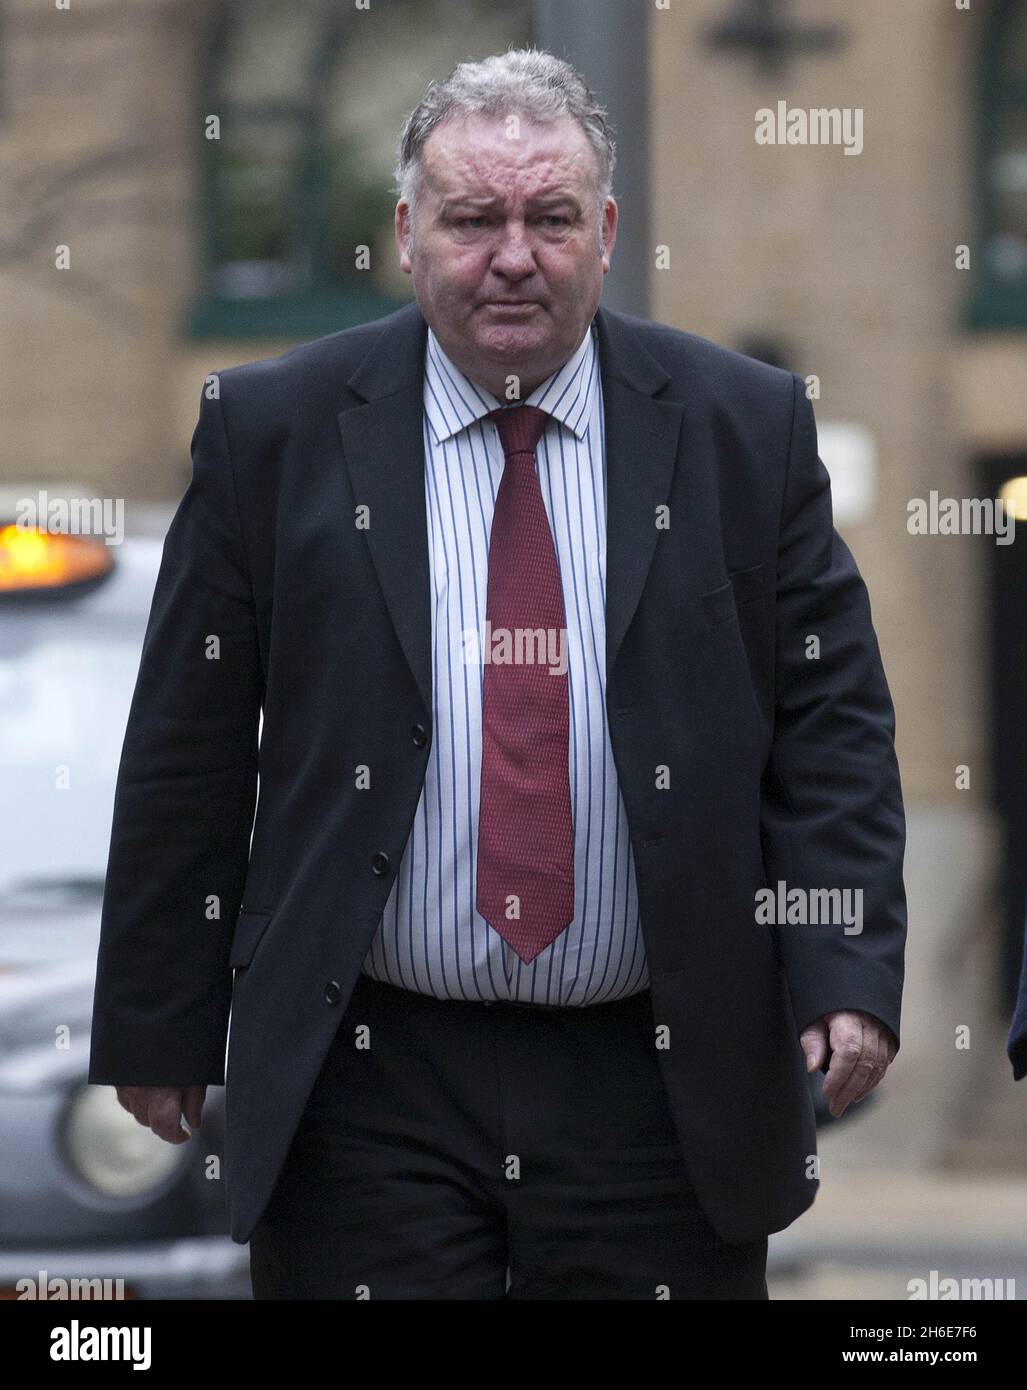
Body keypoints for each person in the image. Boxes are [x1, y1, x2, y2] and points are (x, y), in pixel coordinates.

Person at [88, 47, 907, 1300]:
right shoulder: (276, 433)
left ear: (608, 232)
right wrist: (159, 1017)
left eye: (550, 218)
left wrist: (844, 965)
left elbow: (828, 725)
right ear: (407, 233)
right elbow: (187, 742)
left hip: (660, 1074)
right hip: (366, 1070)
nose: (512, 255)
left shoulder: (744, 429)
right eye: (473, 220)